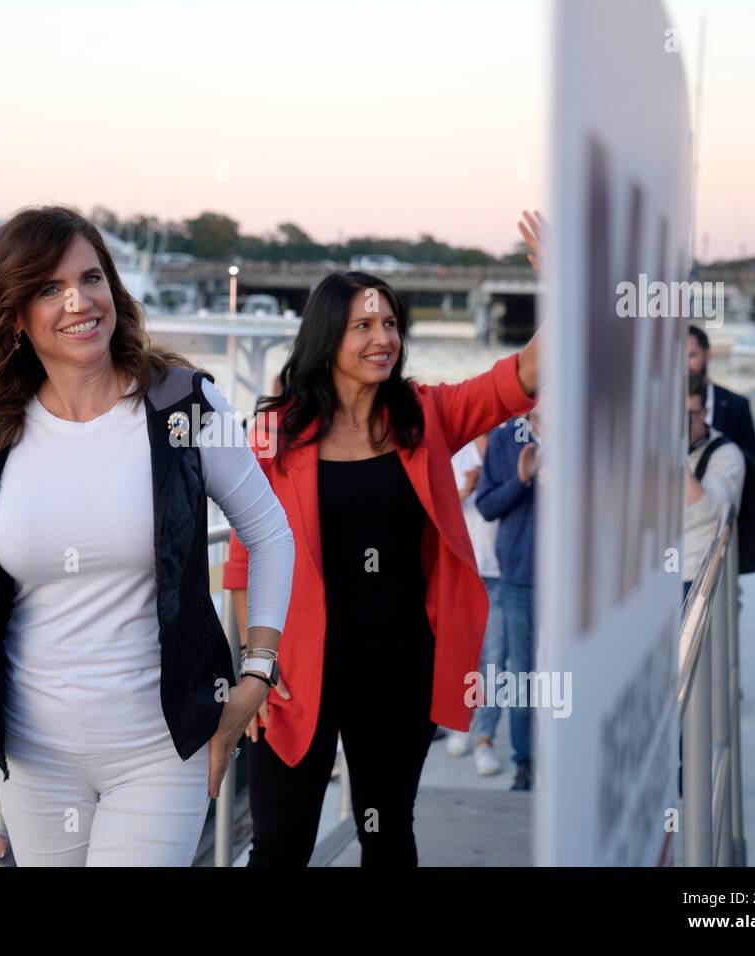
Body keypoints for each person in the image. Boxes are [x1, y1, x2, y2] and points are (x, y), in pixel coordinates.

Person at [0, 206, 295, 867]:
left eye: (91, 277)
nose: (78, 301)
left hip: (161, 751)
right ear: (15, 314)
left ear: (114, 291)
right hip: (34, 761)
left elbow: (269, 531)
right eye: (47, 287)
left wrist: (257, 673)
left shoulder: (183, 406)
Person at [224, 211, 542, 866]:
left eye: (391, 323)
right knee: (278, 847)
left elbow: (527, 376)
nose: (383, 337)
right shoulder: (272, 432)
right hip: (293, 672)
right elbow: (241, 561)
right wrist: (256, 669)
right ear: (327, 336)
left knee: (387, 836)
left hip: (397, 668)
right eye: (364, 324)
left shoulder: (426, 415)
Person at [475, 402, 542, 791]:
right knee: (521, 673)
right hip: (520, 575)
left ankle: (574, 756)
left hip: (576, 579)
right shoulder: (506, 438)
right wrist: (521, 479)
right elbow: (486, 506)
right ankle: (526, 761)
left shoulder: (585, 433)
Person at [445, 430, 504, 776]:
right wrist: (468, 488)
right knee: (465, 655)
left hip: (500, 571)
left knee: (495, 658)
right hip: (465, 569)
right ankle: (461, 721)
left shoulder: (510, 447)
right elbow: (438, 506)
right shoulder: (459, 453)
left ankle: (486, 739)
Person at [682, 372, 746, 603]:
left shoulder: (725, 454)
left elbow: (711, 512)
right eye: (677, 414)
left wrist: (676, 457)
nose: (684, 422)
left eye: (691, 414)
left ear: (705, 414)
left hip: (694, 576)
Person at [687, 325, 755, 463]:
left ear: (707, 355)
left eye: (691, 355)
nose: (685, 364)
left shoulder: (736, 405)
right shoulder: (658, 403)